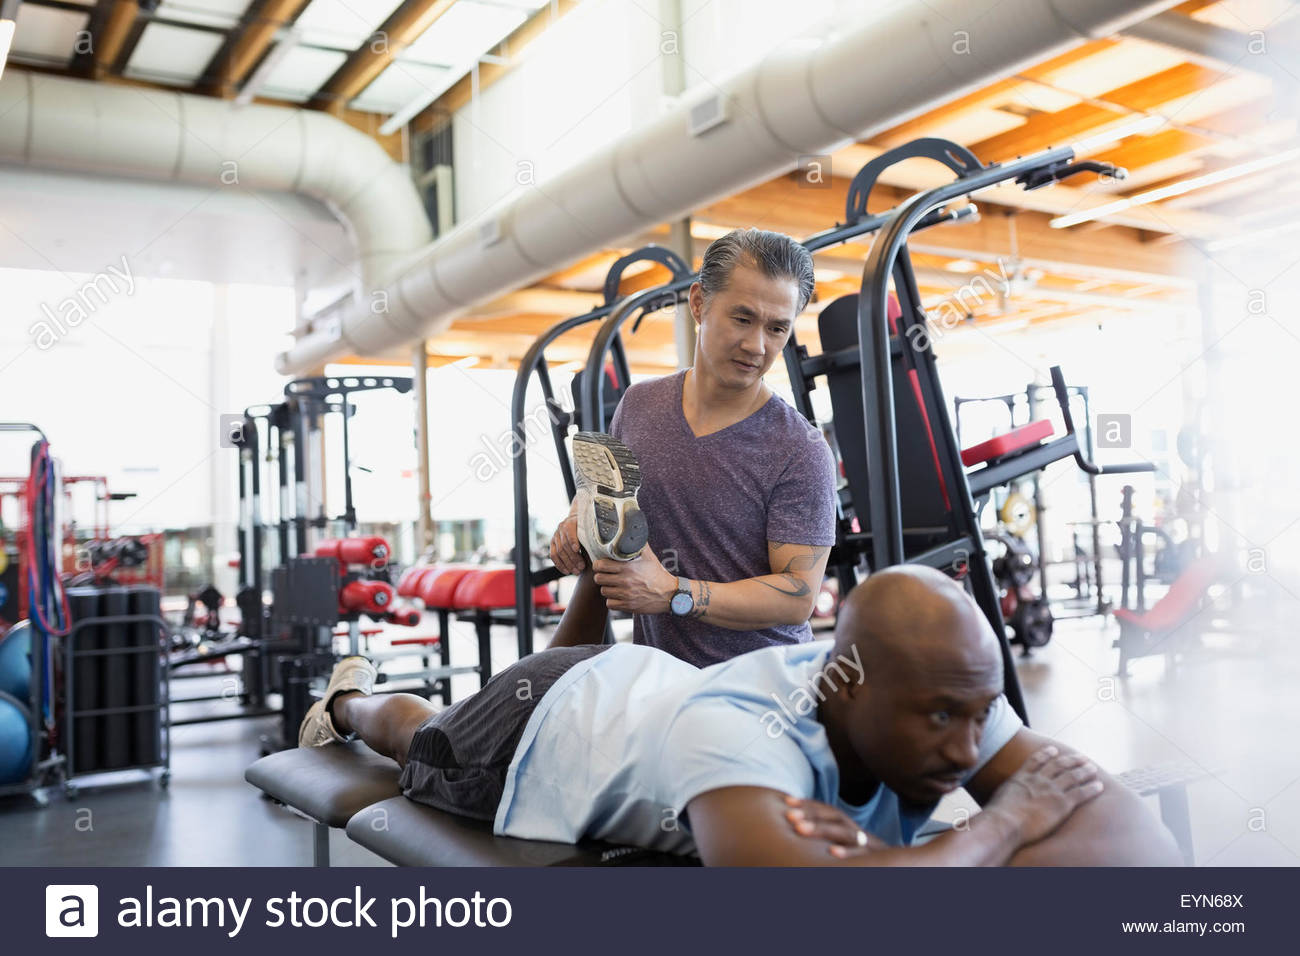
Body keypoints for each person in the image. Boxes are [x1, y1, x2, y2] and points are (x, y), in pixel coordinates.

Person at [298, 566, 1181, 866]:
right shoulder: (738, 731)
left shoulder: (933, 687)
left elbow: (1132, 846)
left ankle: (591, 584)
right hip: (537, 737)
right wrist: (1001, 831)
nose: (967, 744)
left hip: (634, 673)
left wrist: (899, 866)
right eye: (944, 720)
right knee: (418, 736)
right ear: (841, 686)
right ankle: (344, 698)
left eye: (978, 719)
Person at [549, 228, 838, 667]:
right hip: (658, 679)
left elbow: (797, 594)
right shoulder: (639, 404)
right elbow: (598, 494)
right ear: (700, 303)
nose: (757, 346)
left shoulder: (800, 449)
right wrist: (575, 524)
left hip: (759, 685)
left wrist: (672, 593)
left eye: (777, 328)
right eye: (742, 318)